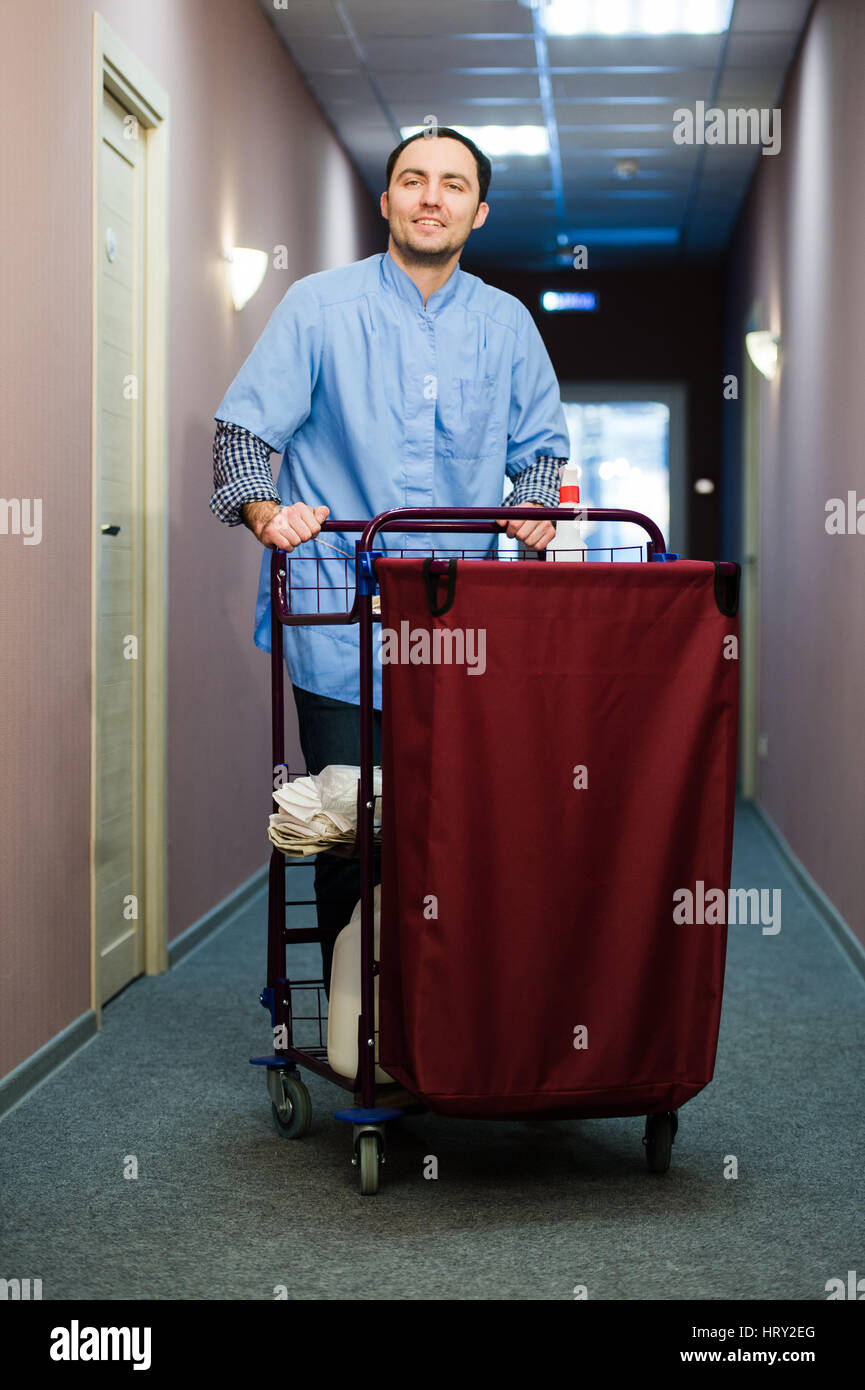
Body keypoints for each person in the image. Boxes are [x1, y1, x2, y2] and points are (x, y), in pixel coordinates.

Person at [210, 127, 570, 1100]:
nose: (430, 198)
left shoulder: (508, 326)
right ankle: (359, 1045)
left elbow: (539, 455)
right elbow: (243, 434)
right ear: (387, 200)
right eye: (413, 180)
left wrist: (535, 511)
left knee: (461, 825)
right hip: (337, 618)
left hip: (463, 629)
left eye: (453, 185)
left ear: (477, 212)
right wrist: (266, 513)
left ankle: (450, 1019)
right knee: (354, 830)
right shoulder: (316, 308)